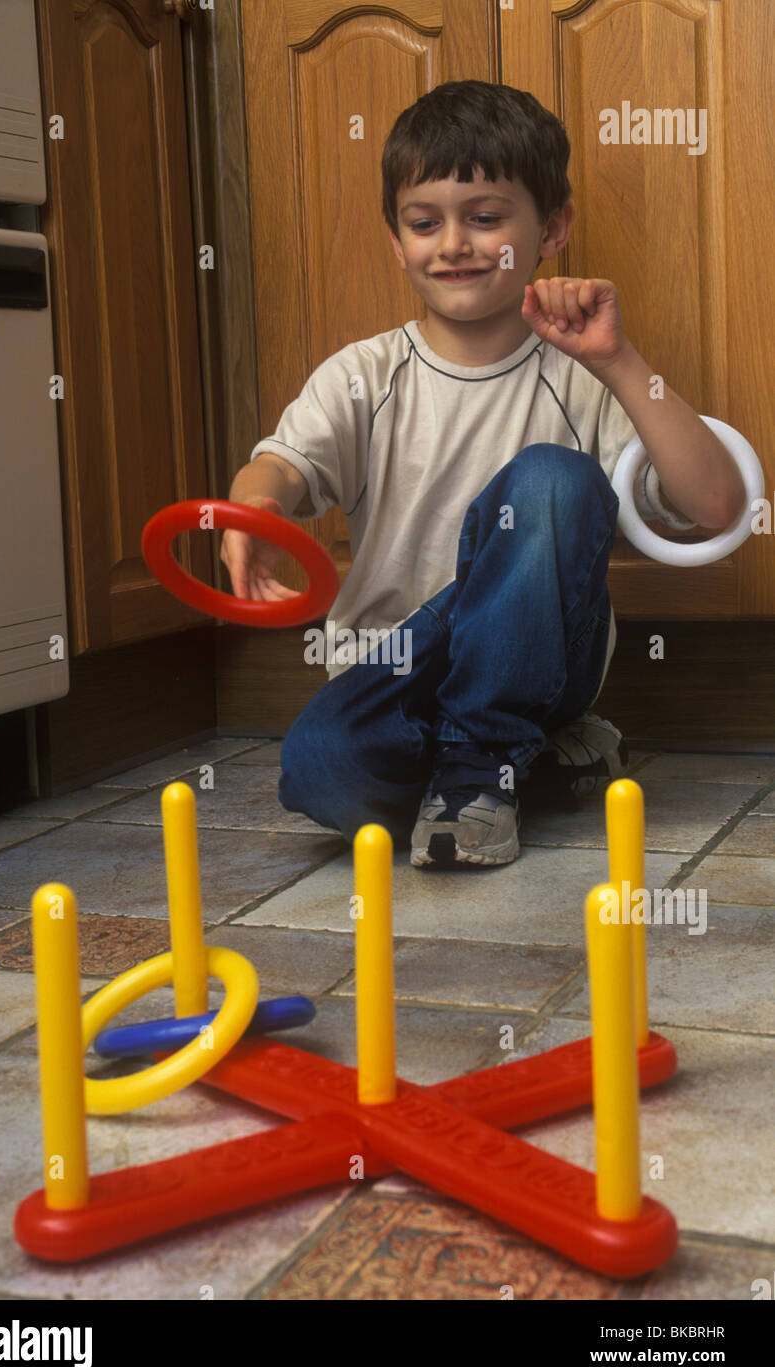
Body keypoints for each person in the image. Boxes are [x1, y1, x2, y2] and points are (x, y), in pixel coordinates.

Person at [219, 81, 743, 868]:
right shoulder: (365, 374)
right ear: (397, 241)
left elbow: (715, 504)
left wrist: (618, 360)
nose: (452, 243)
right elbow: (279, 468)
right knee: (322, 774)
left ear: (553, 228)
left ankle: (487, 755)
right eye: (424, 223)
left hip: (539, 667)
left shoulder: (582, 380)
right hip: (396, 668)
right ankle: (503, 772)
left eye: (486, 218)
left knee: (550, 479)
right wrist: (254, 511)